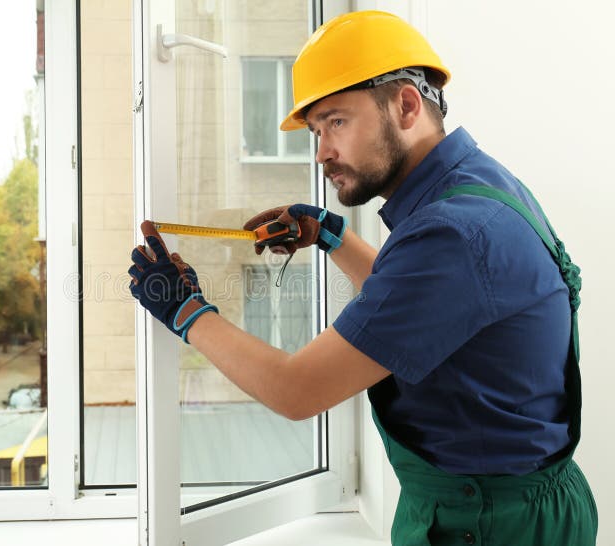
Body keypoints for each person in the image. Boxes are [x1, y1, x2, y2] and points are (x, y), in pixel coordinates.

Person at [128, 10, 597, 546]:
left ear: (405, 104)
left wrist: (185, 309)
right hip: (514, 504)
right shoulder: (476, 185)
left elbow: (296, 389)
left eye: (337, 122)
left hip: (488, 524)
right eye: (316, 131)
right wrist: (331, 237)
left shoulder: (451, 233)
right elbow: (423, 309)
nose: (322, 150)